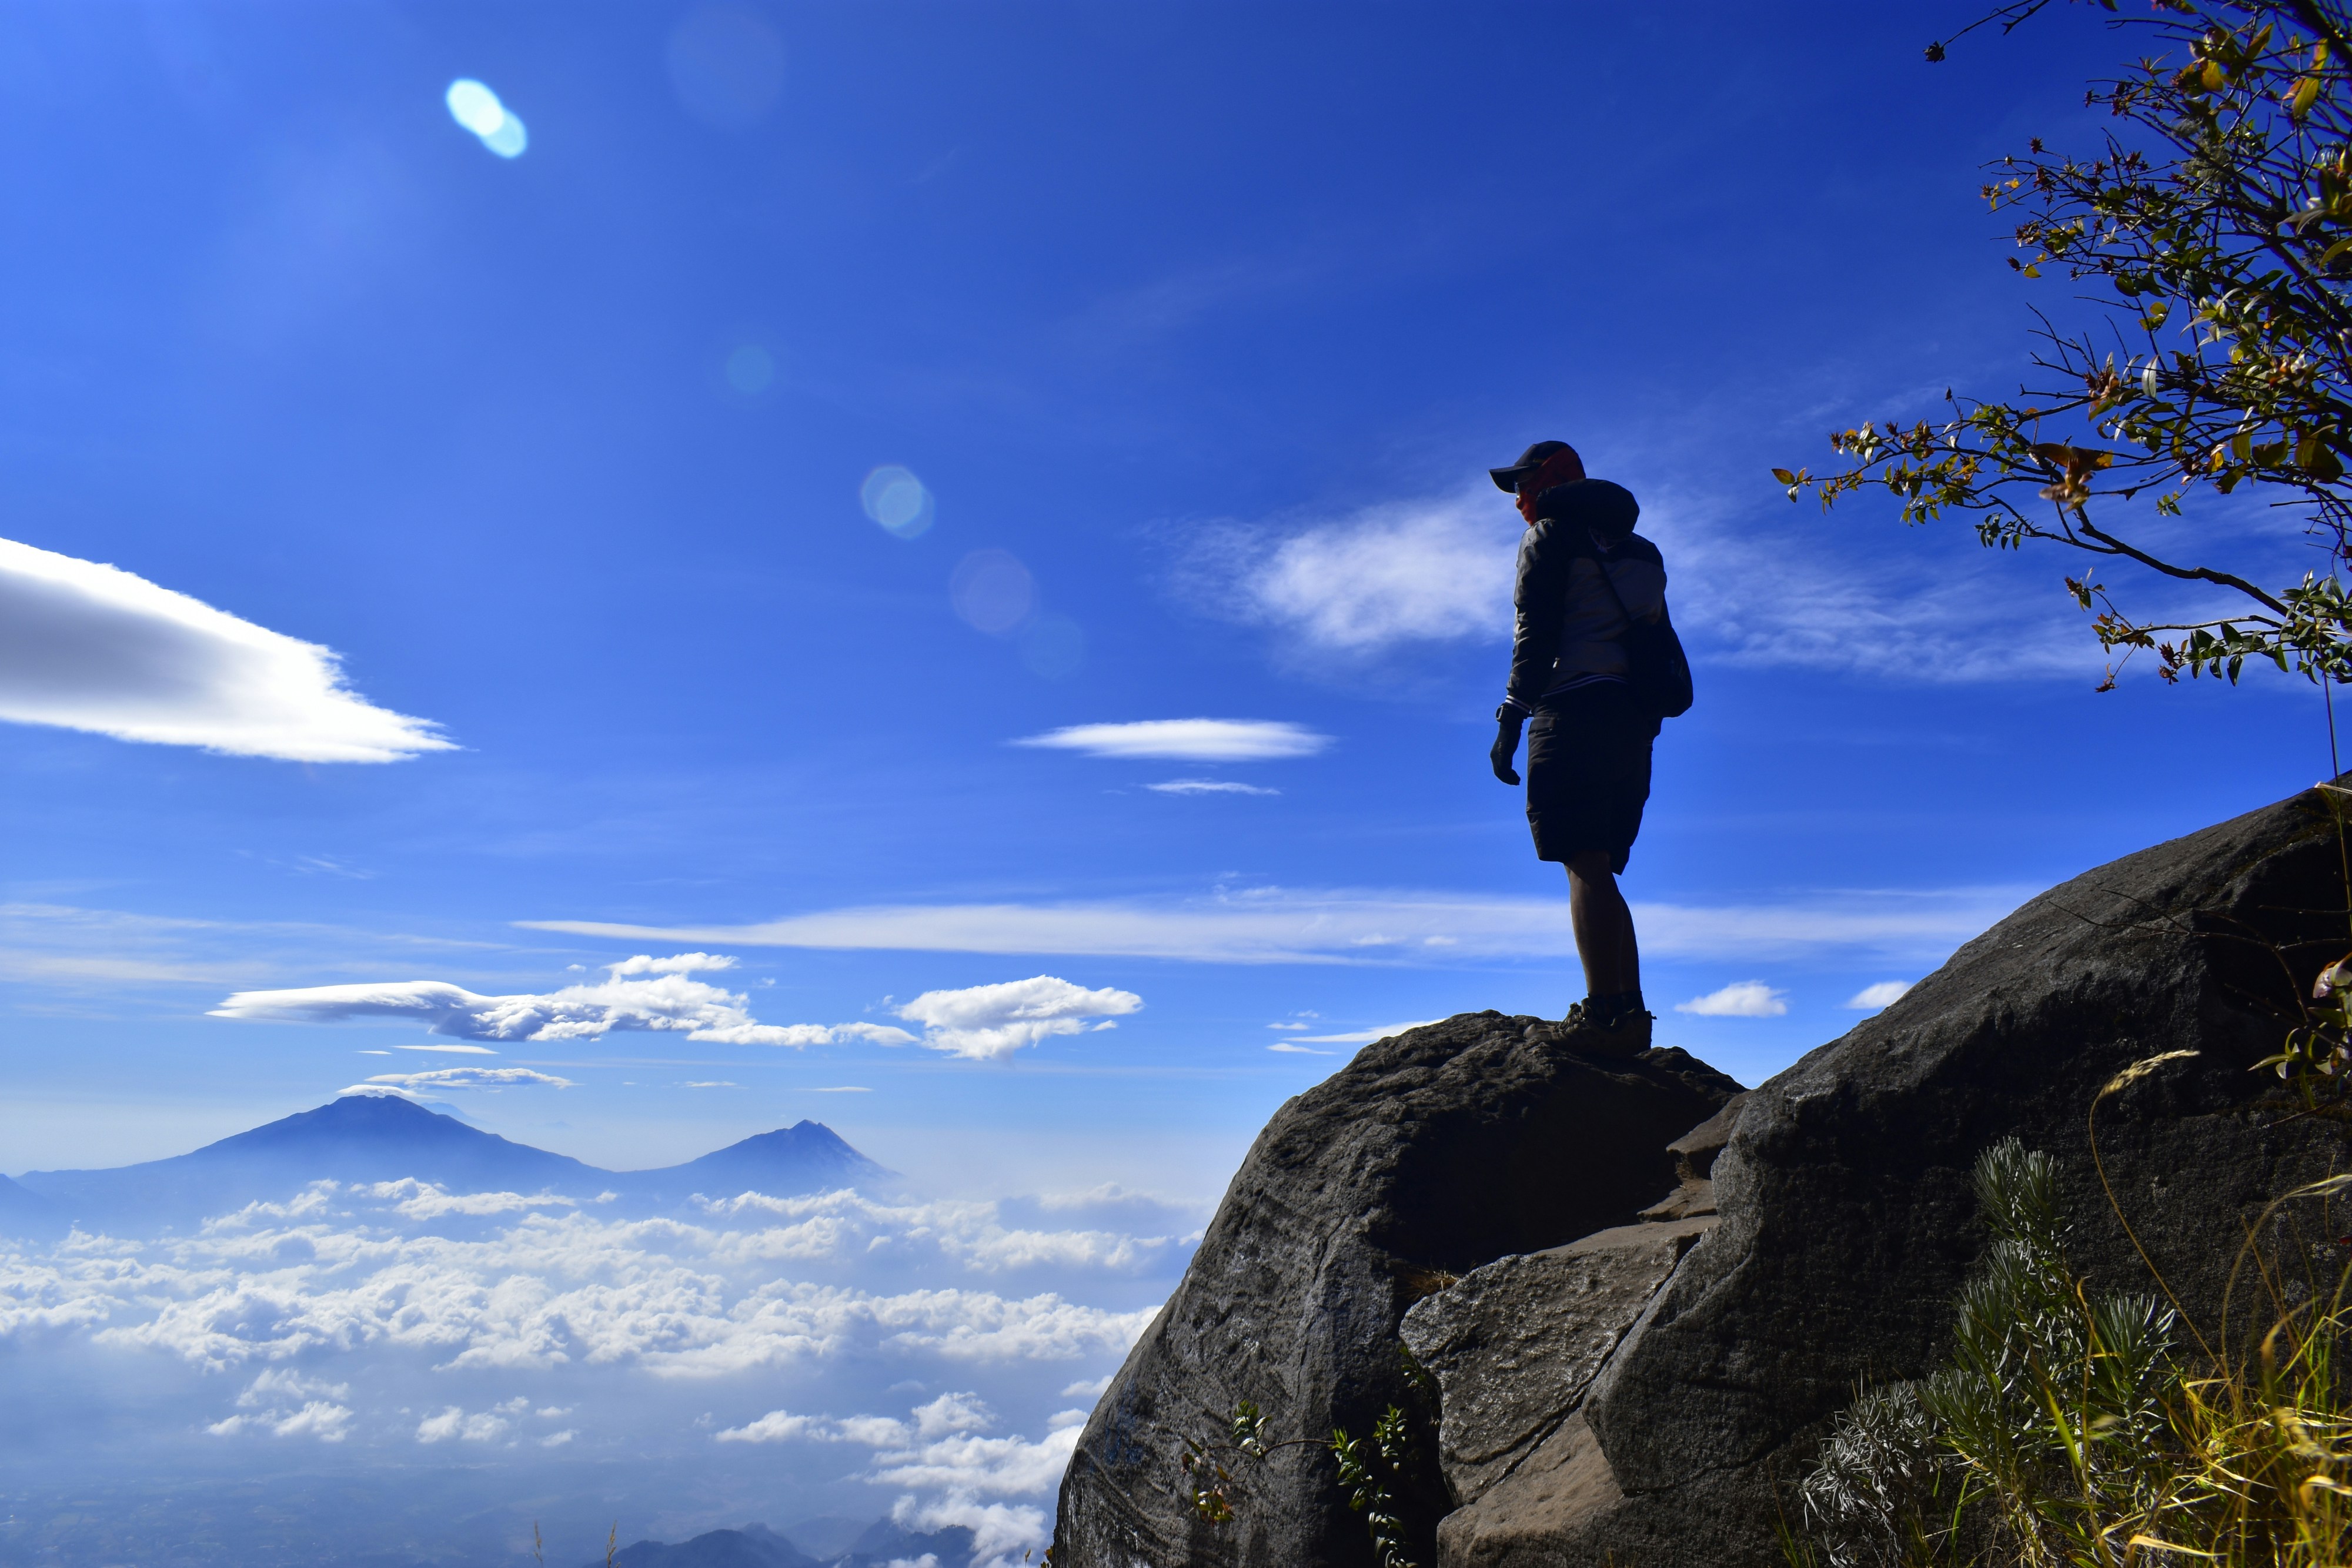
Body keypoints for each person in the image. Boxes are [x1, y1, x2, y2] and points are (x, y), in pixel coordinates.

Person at [1486, 440, 1667, 1051]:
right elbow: (1655, 640)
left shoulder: (1550, 537)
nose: (1517, 497)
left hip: (1570, 708)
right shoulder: (1640, 551)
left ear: (1547, 479)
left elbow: (1534, 632)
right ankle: (1633, 1017)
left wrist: (1511, 717)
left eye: (1521, 483)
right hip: (1631, 721)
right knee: (1601, 869)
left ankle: (1604, 1014)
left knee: (1583, 863)